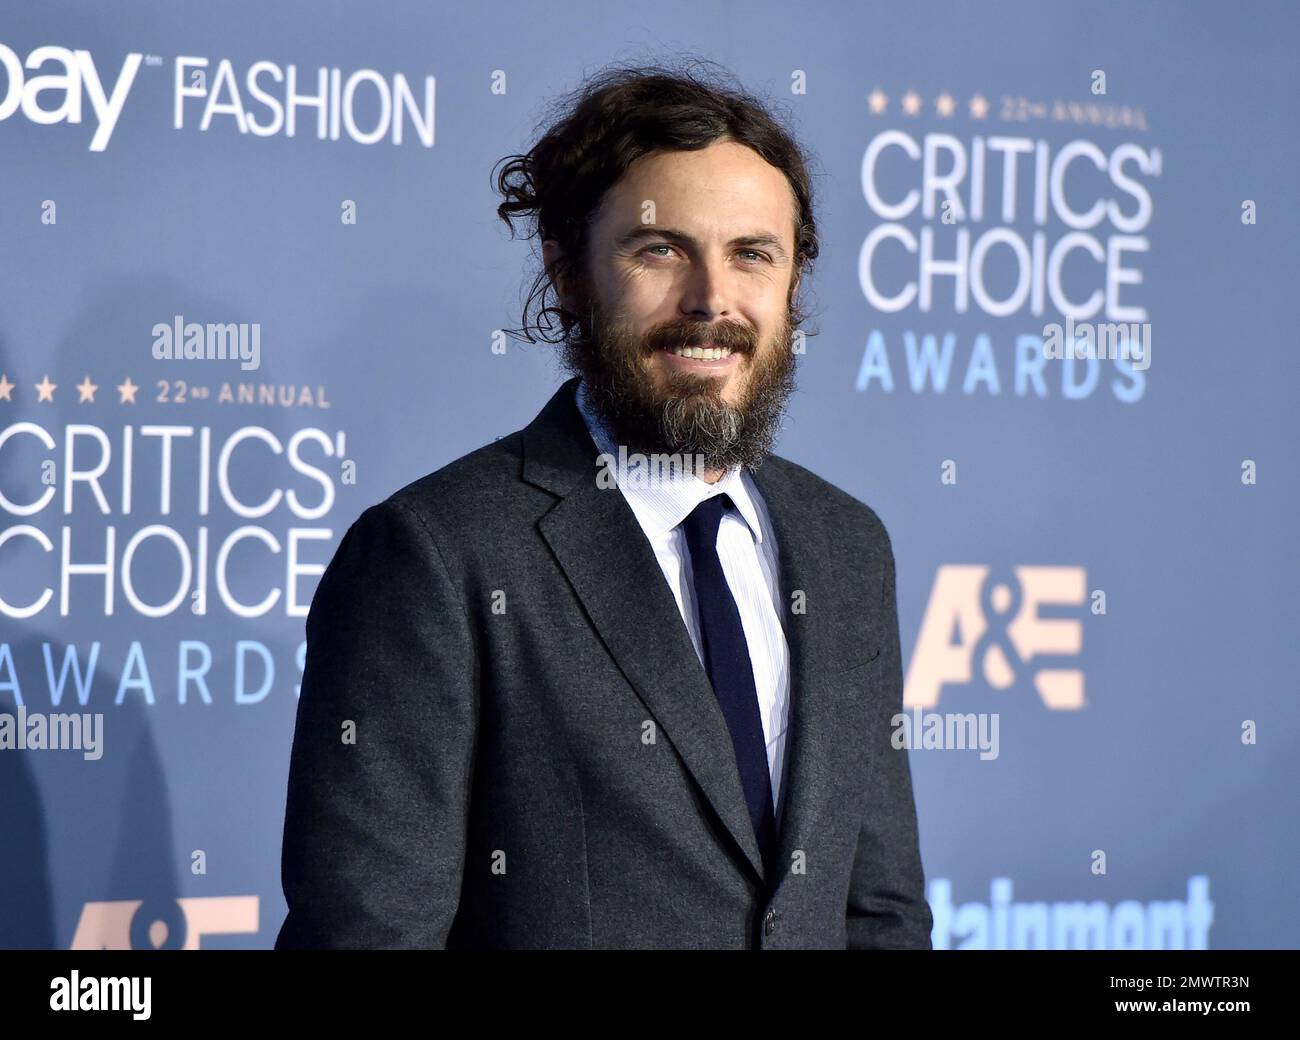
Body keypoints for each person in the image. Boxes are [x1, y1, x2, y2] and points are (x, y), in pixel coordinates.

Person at [275, 61, 932, 950]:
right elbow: (367, 935)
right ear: (568, 271)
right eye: (660, 249)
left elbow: (879, 911)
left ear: (792, 285)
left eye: (752, 253)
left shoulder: (849, 546)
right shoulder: (436, 554)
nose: (712, 301)